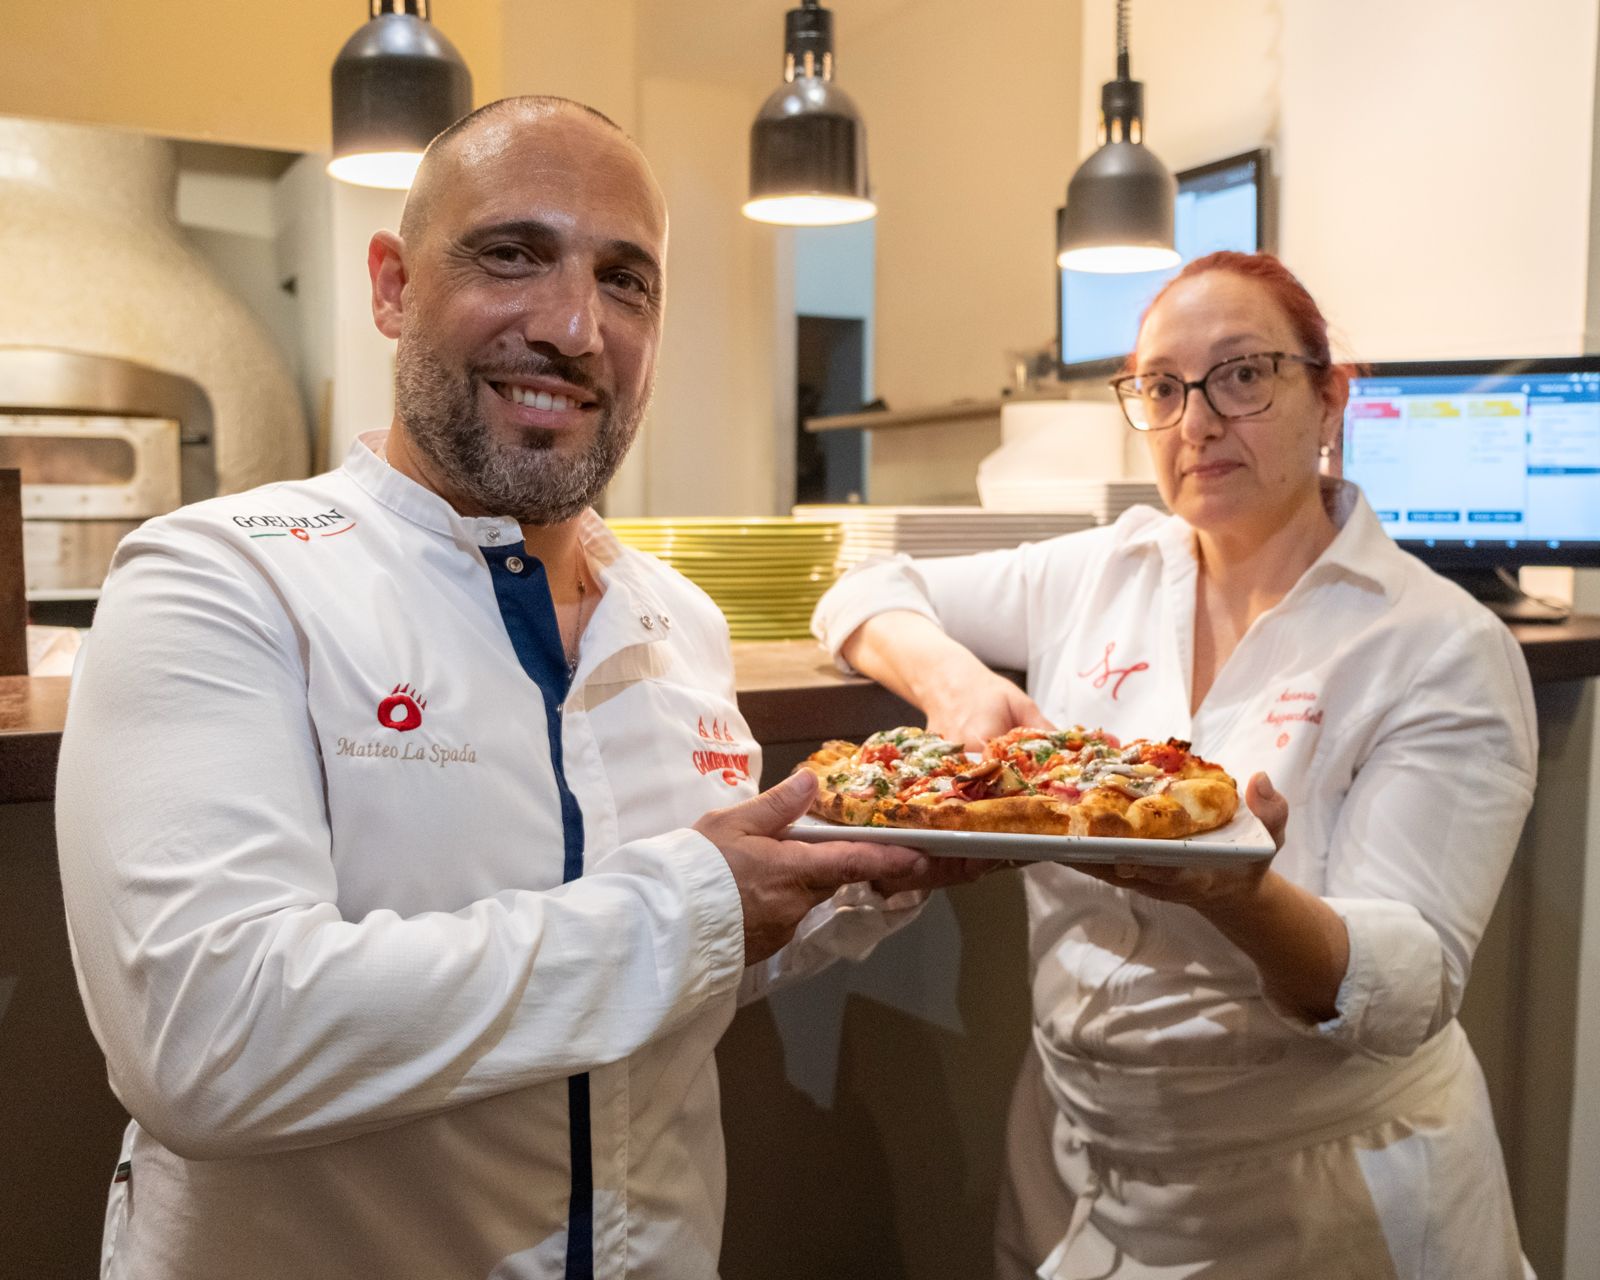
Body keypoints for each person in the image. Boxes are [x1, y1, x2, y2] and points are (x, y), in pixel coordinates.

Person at [55, 96, 958, 1280]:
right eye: (512, 254)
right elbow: (210, 1038)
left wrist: (839, 884)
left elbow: (666, 960)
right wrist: (699, 902)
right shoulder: (219, 577)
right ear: (391, 286)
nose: (577, 325)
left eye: (626, 280)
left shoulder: (677, 621)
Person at [812, 251, 1538, 1279]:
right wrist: (955, 686)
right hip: (1074, 1152)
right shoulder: (1102, 567)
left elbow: (1407, 985)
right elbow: (861, 585)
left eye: (1242, 375)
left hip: (1315, 1190)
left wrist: (1233, 895)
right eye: (1160, 387)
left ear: (1331, 398)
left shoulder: (1437, 643)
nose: (1195, 420)